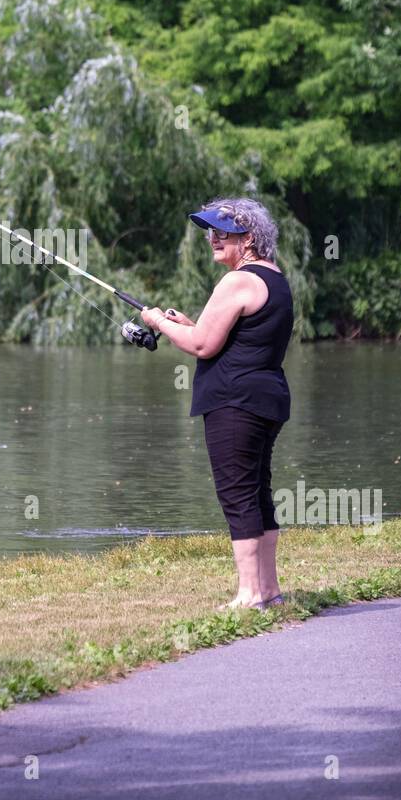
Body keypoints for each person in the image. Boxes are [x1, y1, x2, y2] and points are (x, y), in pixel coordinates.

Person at [141, 197, 294, 610]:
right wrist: (186, 325)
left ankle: (248, 595)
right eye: (210, 231)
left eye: (221, 233)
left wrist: (158, 322)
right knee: (258, 491)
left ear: (247, 239)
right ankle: (270, 591)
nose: (212, 239)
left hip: (235, 402)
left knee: (237, 494)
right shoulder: (274, 279)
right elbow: (233, 339)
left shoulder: (238, 282)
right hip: (265, 397)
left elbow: (203, 345)